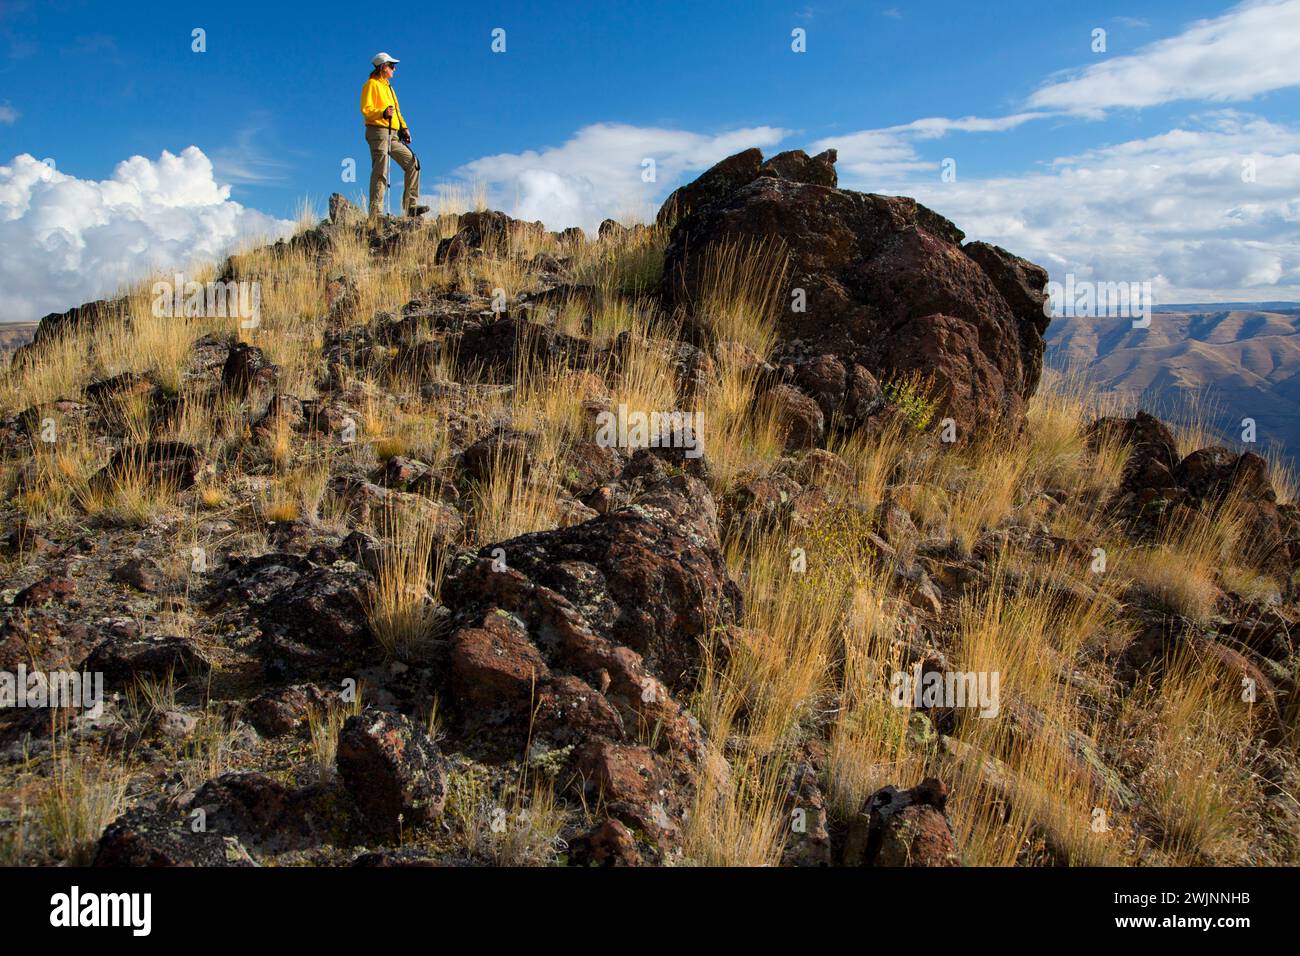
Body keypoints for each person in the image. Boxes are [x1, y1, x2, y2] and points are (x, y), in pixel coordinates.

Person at [360, 52, 429, 218]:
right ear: (383, 67)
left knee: (413, 163)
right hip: (378, 132)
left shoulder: (389, 87)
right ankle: (376, 213)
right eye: (391, 66)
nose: (394, 69)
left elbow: (397, 111)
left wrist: (404, 128)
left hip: (393, 134)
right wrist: (382, 113)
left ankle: (410, 206)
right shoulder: (371, 85)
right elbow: (366, 110)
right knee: (381, 169)